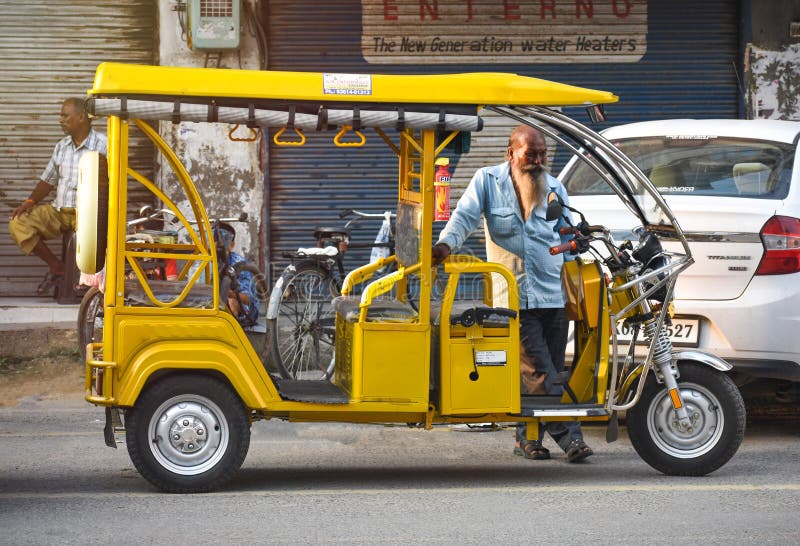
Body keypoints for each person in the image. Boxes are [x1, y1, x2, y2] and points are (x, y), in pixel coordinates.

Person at [432, 124, 593, 463]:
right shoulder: (487, 181)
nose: (538, 160)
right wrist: (445, 245)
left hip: (553, 294)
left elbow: (567, 236)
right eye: (530, 154)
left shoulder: (554, 187)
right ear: (510, 153)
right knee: (538, 370)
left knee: (546, 370)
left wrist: (578, 267)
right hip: (513, 297)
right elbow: (464, 217)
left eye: (542, 154)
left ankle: (527, 439)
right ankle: (570, 437)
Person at [9, 98, 108, 295]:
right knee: (18, 222)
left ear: (81, 117)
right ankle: (57, 266)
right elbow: (48, 180)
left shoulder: (104, 145)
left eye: (65, 115)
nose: (60, 120)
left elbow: (115, 181)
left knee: (99, 246)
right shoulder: (62, 146)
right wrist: (30, 201)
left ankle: (89, 286)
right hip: (60, 212)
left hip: (88, 216)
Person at [215, 222, 259, 325]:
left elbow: (247, 299)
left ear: (231, 245)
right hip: (217, 304)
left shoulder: (240, 264)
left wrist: (228, 293)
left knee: (231, 302)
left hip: (246, 308)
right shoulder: (206, 260)